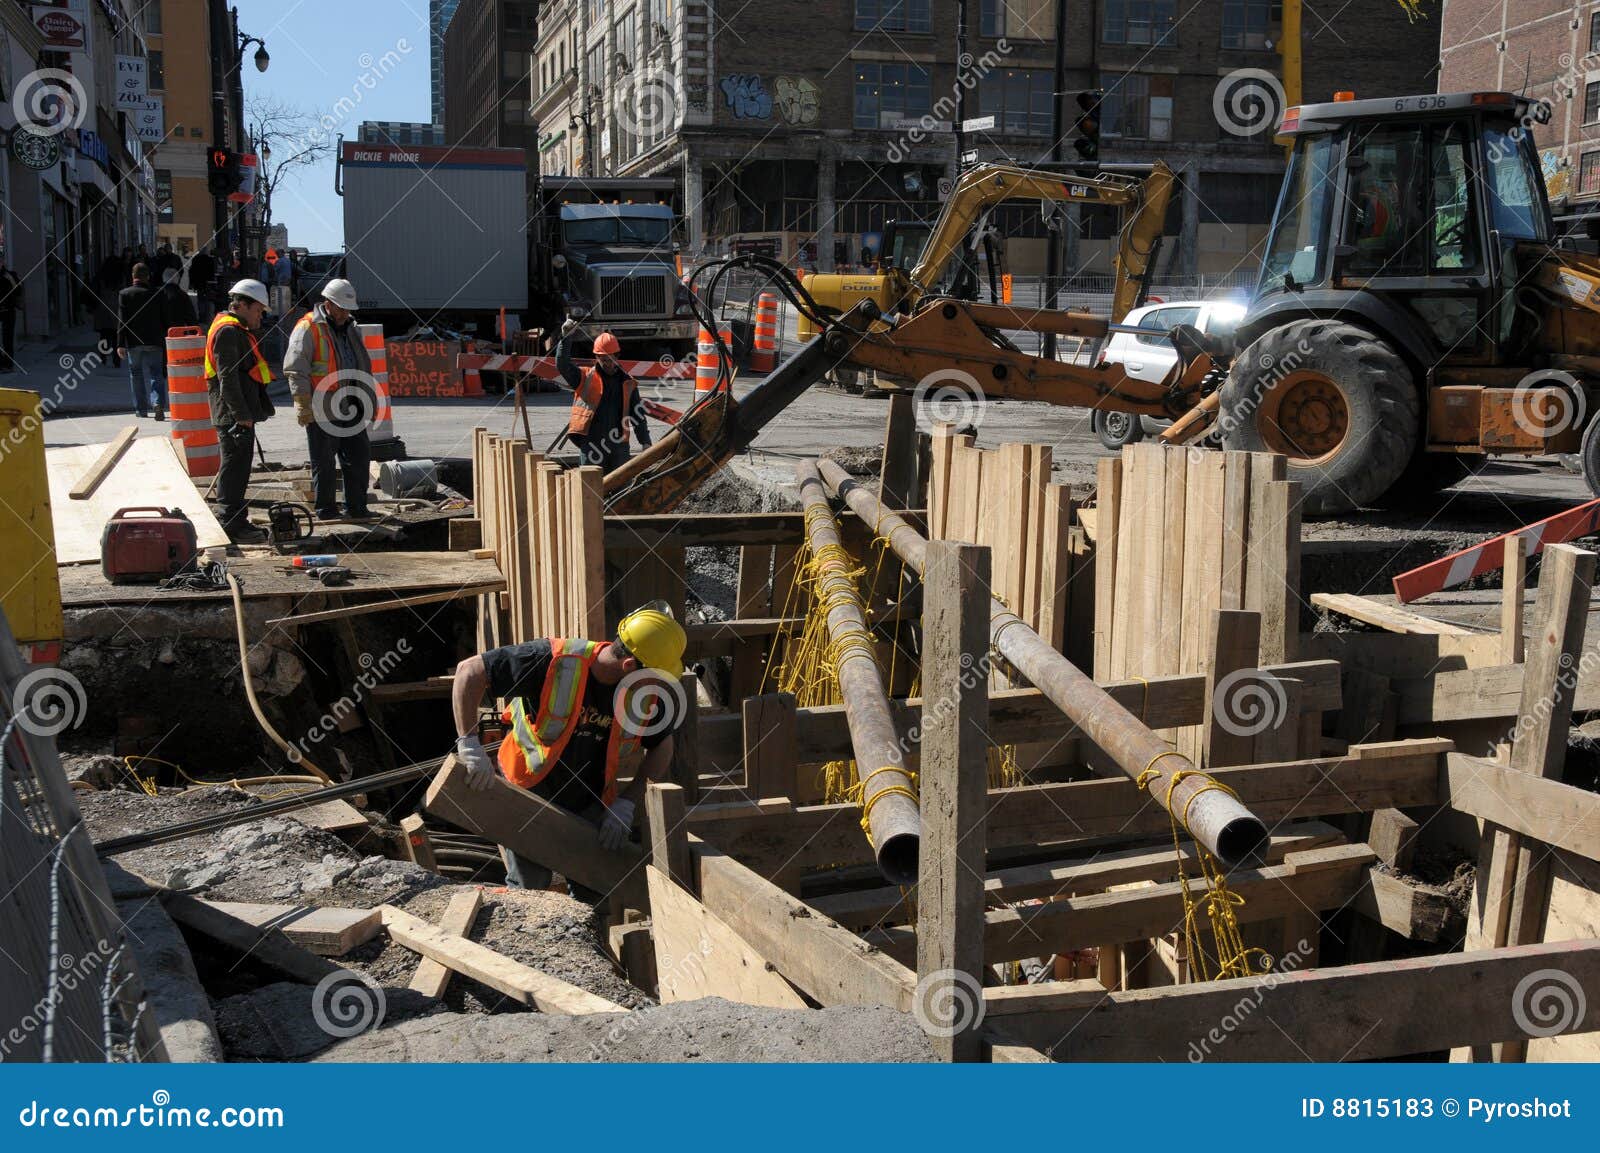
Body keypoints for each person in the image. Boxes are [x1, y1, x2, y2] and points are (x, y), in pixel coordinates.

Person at [449, 601, 688, 894]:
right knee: (530, 889)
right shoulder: (553, 660)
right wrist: (469, 743)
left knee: (593, 891)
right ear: (629, 665)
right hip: (529, 795)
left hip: (590, 804)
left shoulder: (645, 693)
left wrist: (628, 800)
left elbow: (663, 744)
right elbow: (469, 671)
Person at [283, 278, 374, 521]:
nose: (345, 313)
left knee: (358, 457)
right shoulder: (308, 327)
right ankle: (326, 510)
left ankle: (356, 507)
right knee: (323, 461)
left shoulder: (350, 327)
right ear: (328, 304)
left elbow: (361, 364)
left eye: (348, 309)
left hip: (351, 404)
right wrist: (302, 405)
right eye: (341, 308)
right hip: (322, 406)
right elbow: (295, 369)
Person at [205, 279, 276, 540]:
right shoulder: (229, 332)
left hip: (235, 413)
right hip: (233, 415)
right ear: (243, 305)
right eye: (258, 309)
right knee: (235, 469)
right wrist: (242, 416)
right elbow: (228, 379)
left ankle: (234, 519)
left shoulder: (234, 329)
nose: (260, 315)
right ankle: (230, 522)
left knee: (238, 467)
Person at [555, 320, 651, 471]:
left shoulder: (628, 382)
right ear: (596, 357)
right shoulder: (585, 376)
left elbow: (637, 414)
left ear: (617, 356)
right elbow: (563, 364)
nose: (607, 363)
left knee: (620, 487)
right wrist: (566, 337)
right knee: (590, 487)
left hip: (619, 445)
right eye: (603, 359)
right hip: (592, 443)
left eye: (610, 359)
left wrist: (645, 441)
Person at [117, 263, 169, 419]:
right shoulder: (158, 293)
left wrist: (120, 343)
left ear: (133, 276)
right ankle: (158, 402)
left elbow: (122, 321)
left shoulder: (124, 294)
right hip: (155, 340)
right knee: (156, 373)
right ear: (148, 276)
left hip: (134, 341)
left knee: (136, 374)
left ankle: (141, 409)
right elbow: (165, 317)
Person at [159, 266, 197, 331]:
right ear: (178, 279)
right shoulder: (183, 295)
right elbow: (191, 318)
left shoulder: (158, 294)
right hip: (178, 332)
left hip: (160, 333)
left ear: (163, 278)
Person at [0, 262, 21, 372]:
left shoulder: (9, 275)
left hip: (8, 311)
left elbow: (18, 290)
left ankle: (8, 365)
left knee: (7, 339)